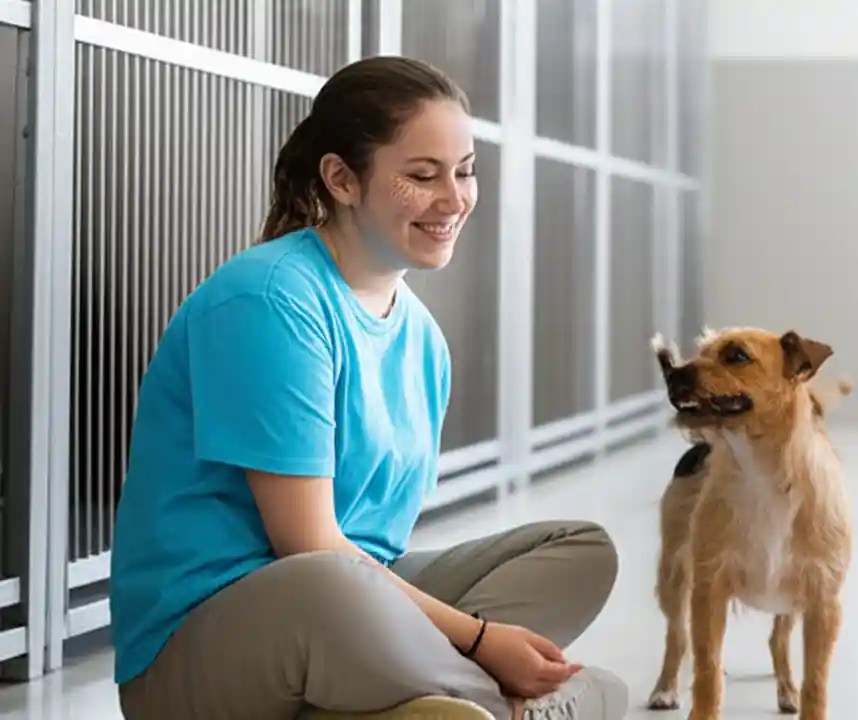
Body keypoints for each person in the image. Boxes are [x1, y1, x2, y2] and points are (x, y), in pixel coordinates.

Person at [108, 56, 627, 720]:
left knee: (580, 551)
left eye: (465, 171)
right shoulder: (270, 301)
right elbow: (310, 545)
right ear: (341, 179)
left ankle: (409, 705)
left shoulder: (423, 340)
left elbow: (375, 552)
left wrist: (448, 632)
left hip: (355, 607)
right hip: (207, 646)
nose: (454, 199)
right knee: (328, 584)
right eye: (421, 175)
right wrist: (479, 640)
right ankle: (504, 706)